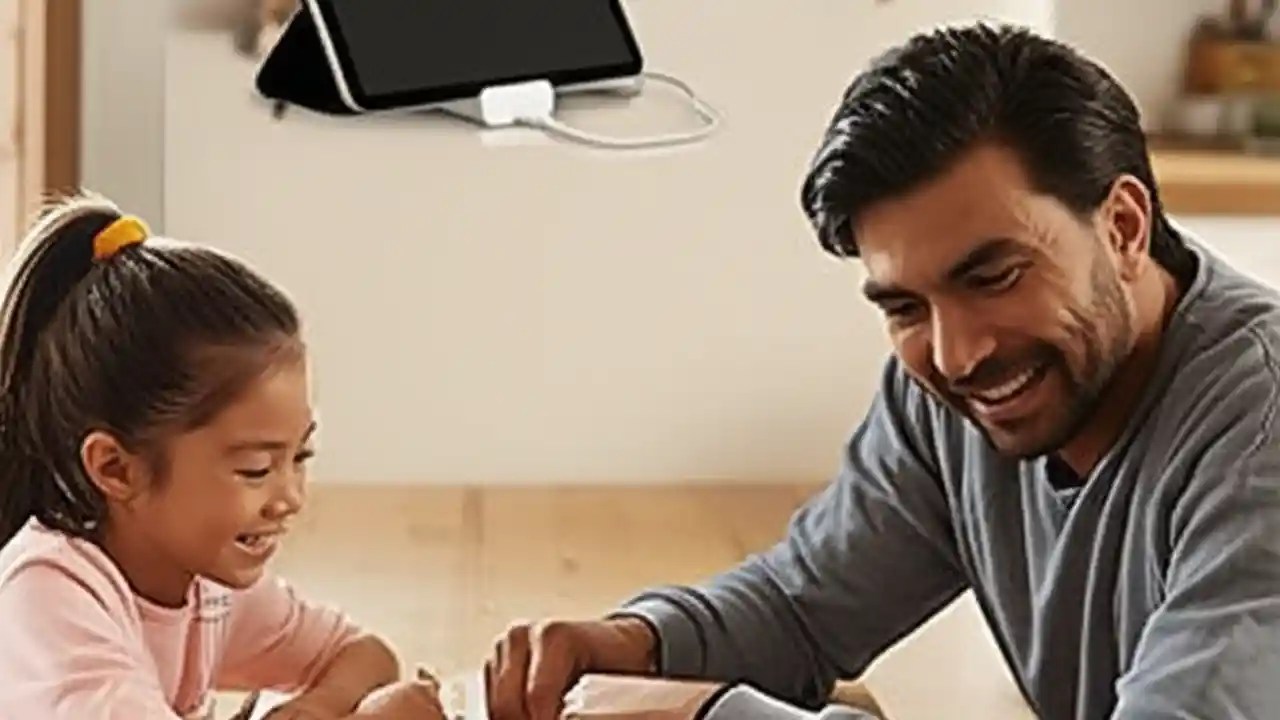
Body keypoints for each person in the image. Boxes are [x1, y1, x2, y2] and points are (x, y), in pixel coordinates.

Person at [483, 21, 1280, 720]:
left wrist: (711, 714)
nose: (957, 354)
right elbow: (804, 608)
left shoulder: (1259, 436)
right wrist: (639, 642)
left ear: (1125, 227)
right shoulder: (955, 395)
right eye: (904, 306)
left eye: (994, 277)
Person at [0, 194, 444, 719]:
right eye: (256, 469)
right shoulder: (47, 597)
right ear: (116, 468)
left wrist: (317, 710)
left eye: (300, 456)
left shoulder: (201, 581)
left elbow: (363, 654)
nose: (290, 498)